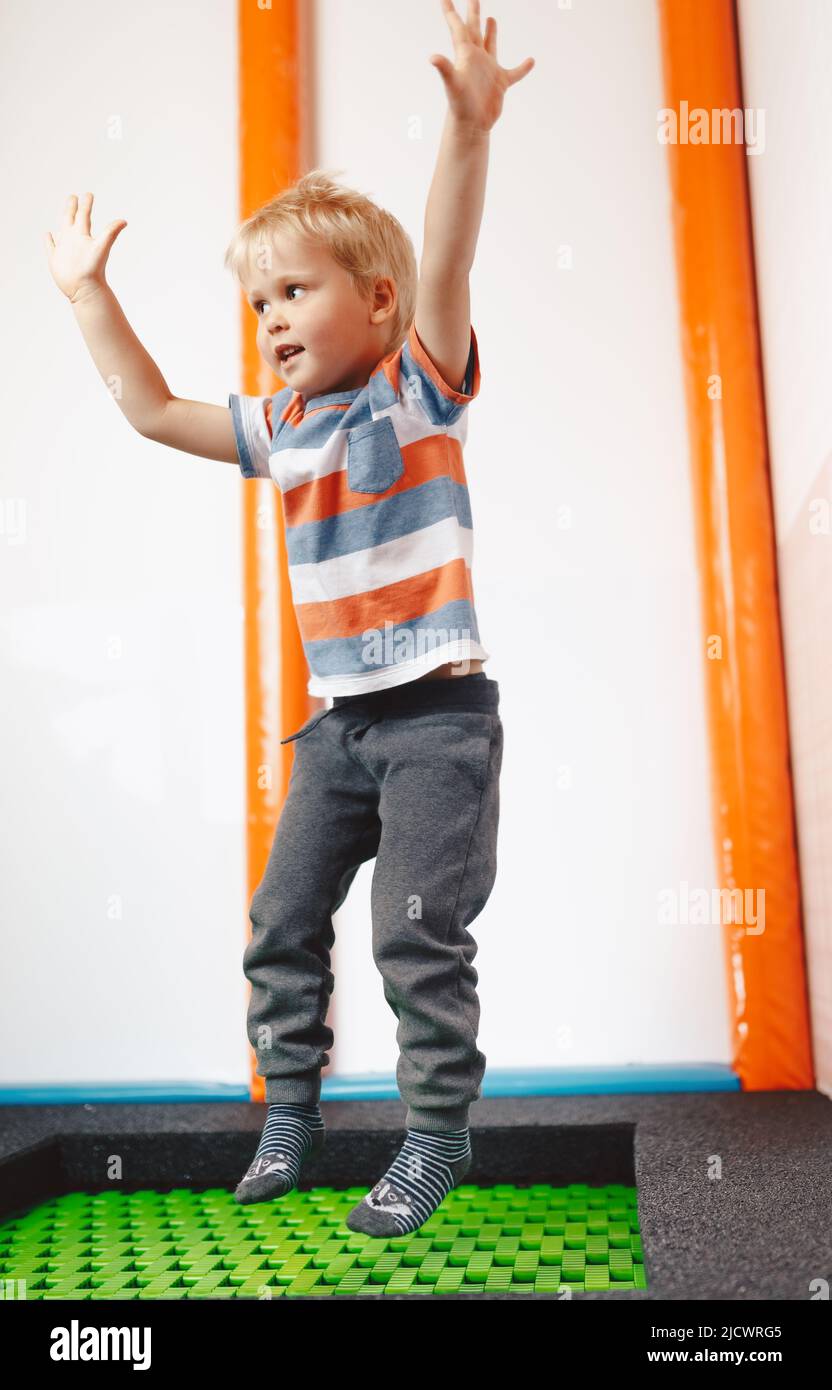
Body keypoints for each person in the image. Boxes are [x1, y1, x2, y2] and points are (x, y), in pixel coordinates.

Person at [45, 0, 534, 1237]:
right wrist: (86, 296)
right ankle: (293, 1111)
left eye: (293, 293)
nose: (268, 322)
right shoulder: (284, 429)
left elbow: (450, 252)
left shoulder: (420, 386)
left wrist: (466, 129)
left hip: (435, 725)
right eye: (257, 303)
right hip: (340, 728)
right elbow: (153, 411)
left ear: (376, 302)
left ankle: (431, 1143)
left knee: (413, 932)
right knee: (279, 919)